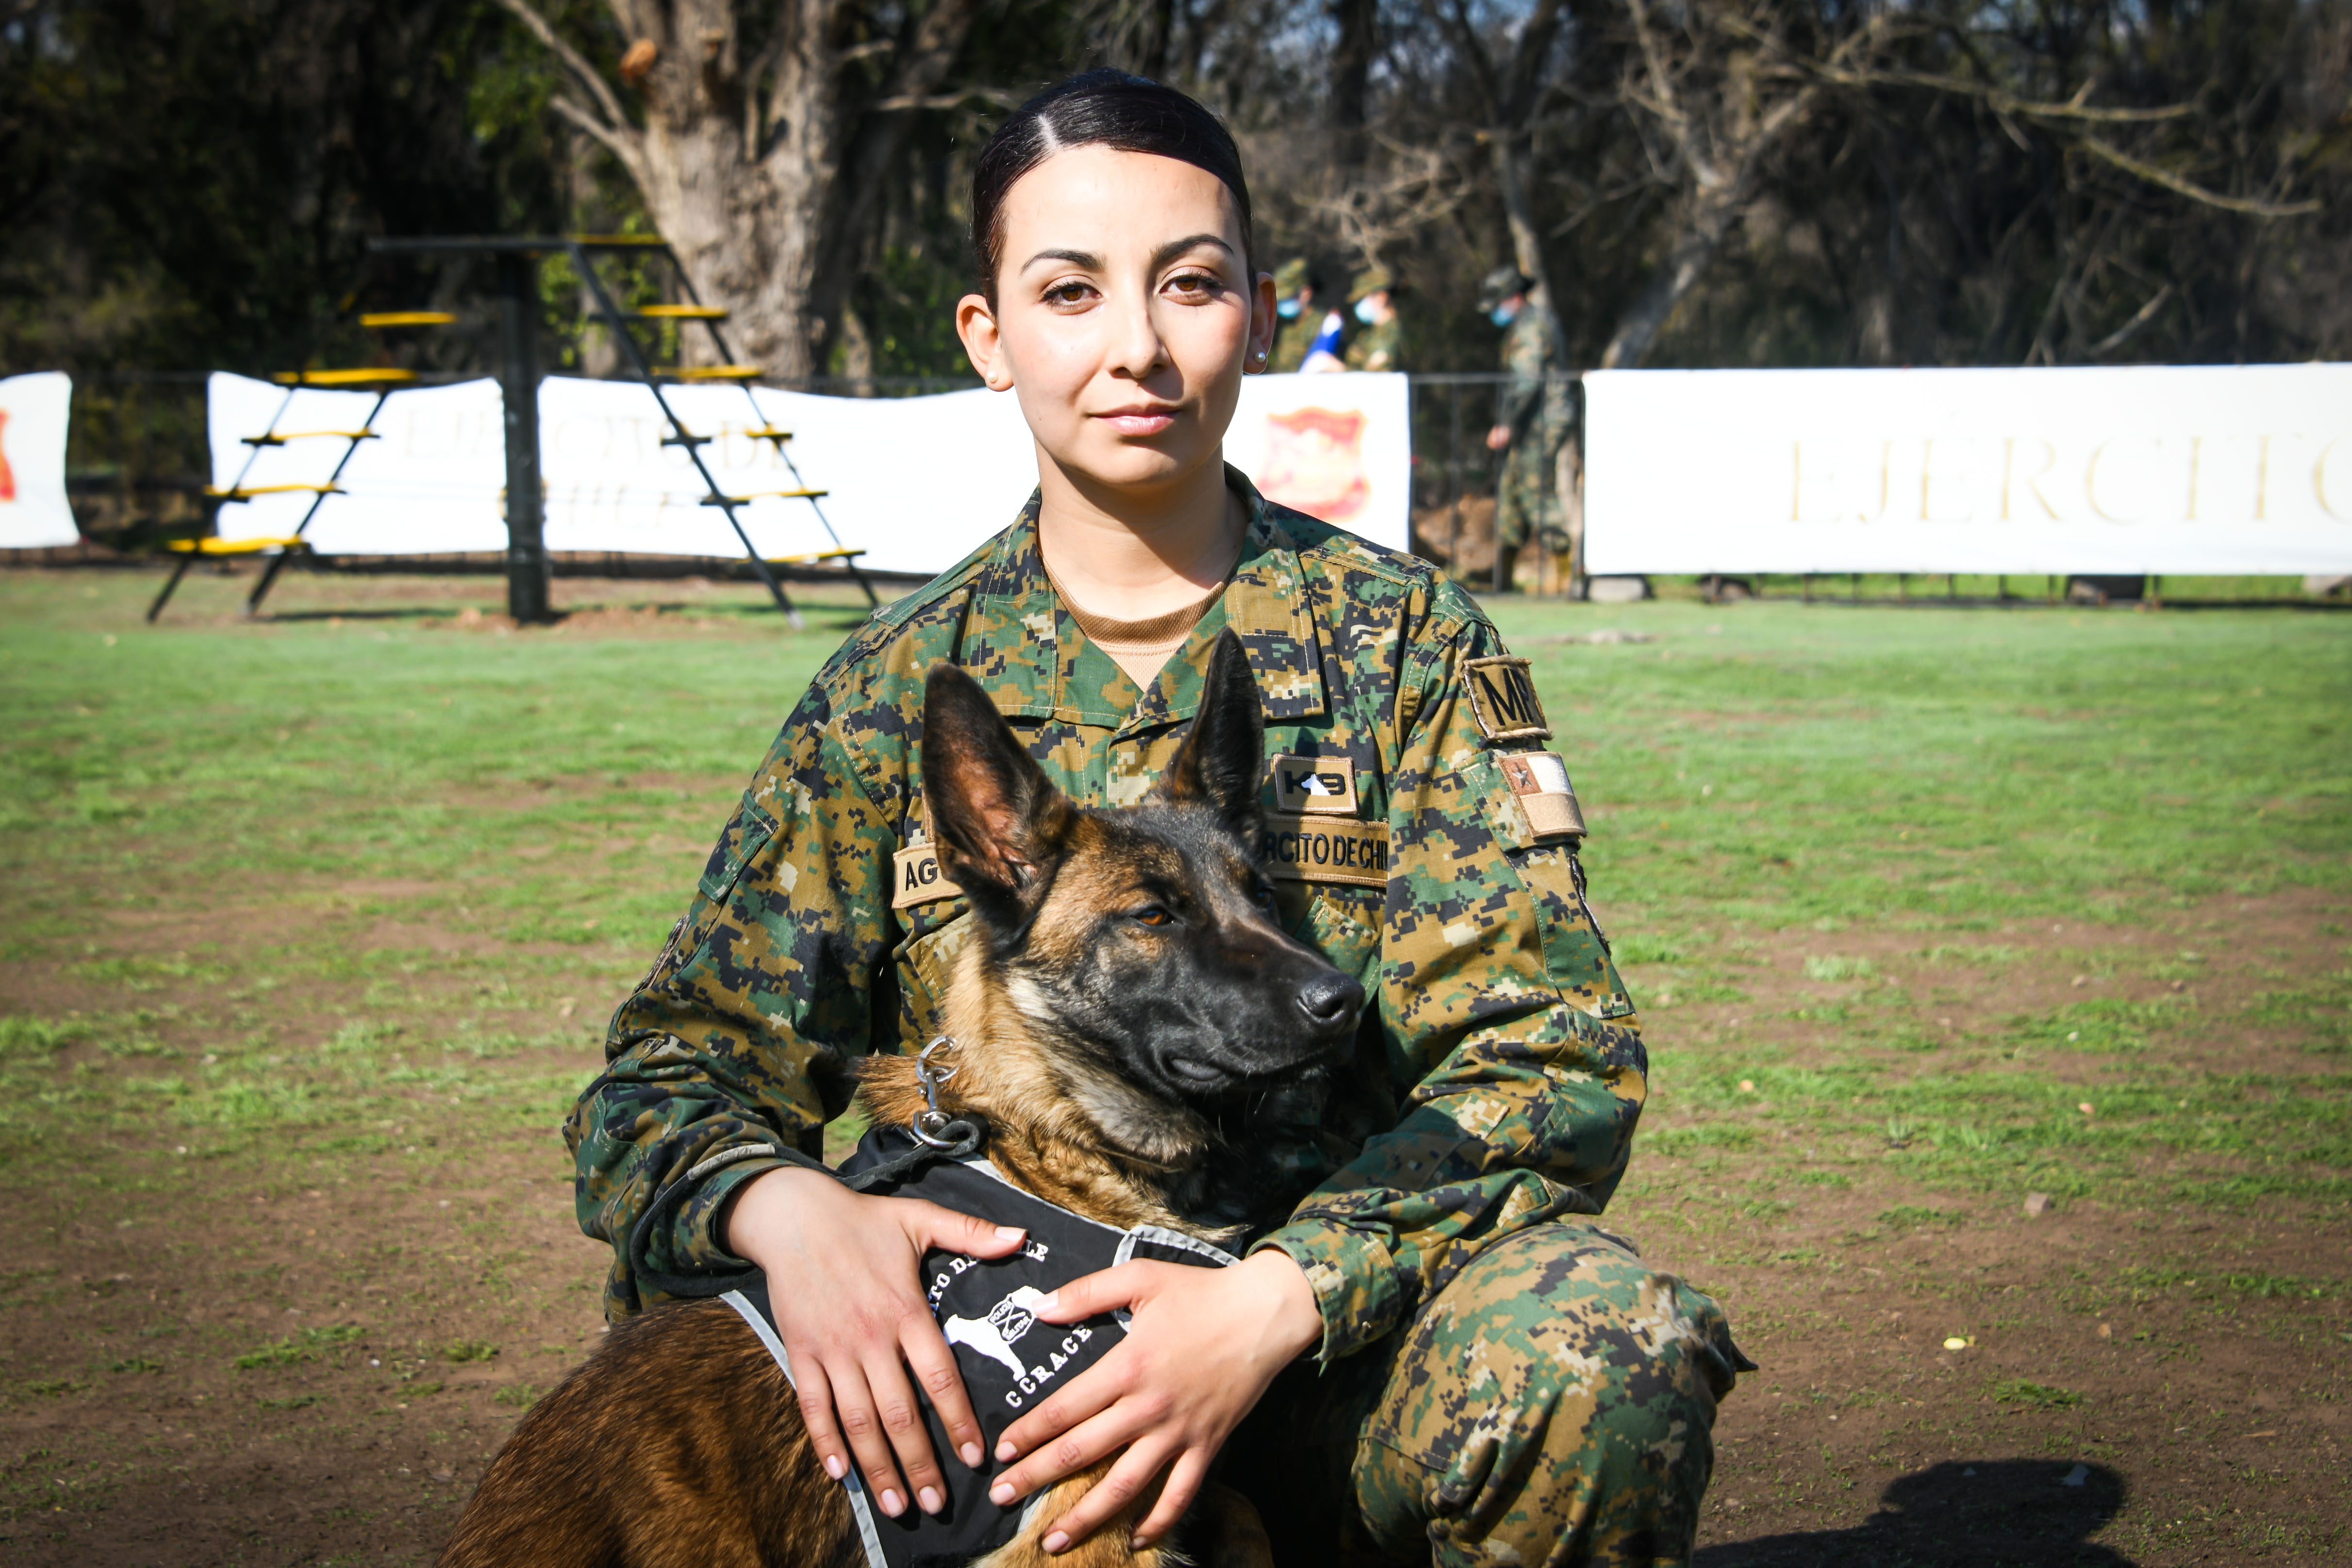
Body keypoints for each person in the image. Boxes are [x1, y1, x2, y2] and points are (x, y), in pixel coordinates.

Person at [570, 68, 1744, 1567]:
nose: (1137, 346)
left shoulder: (1406, 646)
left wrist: (1274, 1298)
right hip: (1012, 1390)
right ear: (989, 339)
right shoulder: (887, 700)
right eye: (1070, 292)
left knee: (1596, 1352)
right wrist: (785, 1212)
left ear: (1257, 315)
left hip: (1330, 1359)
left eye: (1190, 285)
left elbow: (1548, 1058)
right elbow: (663, 1084)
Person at [1481, 265, 1576, 594]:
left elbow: (1526, 380)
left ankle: (1566, 578)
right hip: (1530, 421)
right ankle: (1501, 579)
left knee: (1535, 489)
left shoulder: (1532, 326)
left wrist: (1506, 423)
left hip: (1542, 420)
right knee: (1511, 487)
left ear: (1513, 297)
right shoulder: (1526, 323)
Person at [1342, 264, 1401, 372]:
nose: (1360, 304)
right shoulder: (1369, 334)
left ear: (1382, 297)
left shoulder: (1390, 333)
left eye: (1364, 298)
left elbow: (1379, 372)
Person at [1267, 257, 1319, 373]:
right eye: (1280, 300)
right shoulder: (1276, 323)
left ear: (1306, 294)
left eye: (1289, 298)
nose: (1283, 303)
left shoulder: (1323, 325)